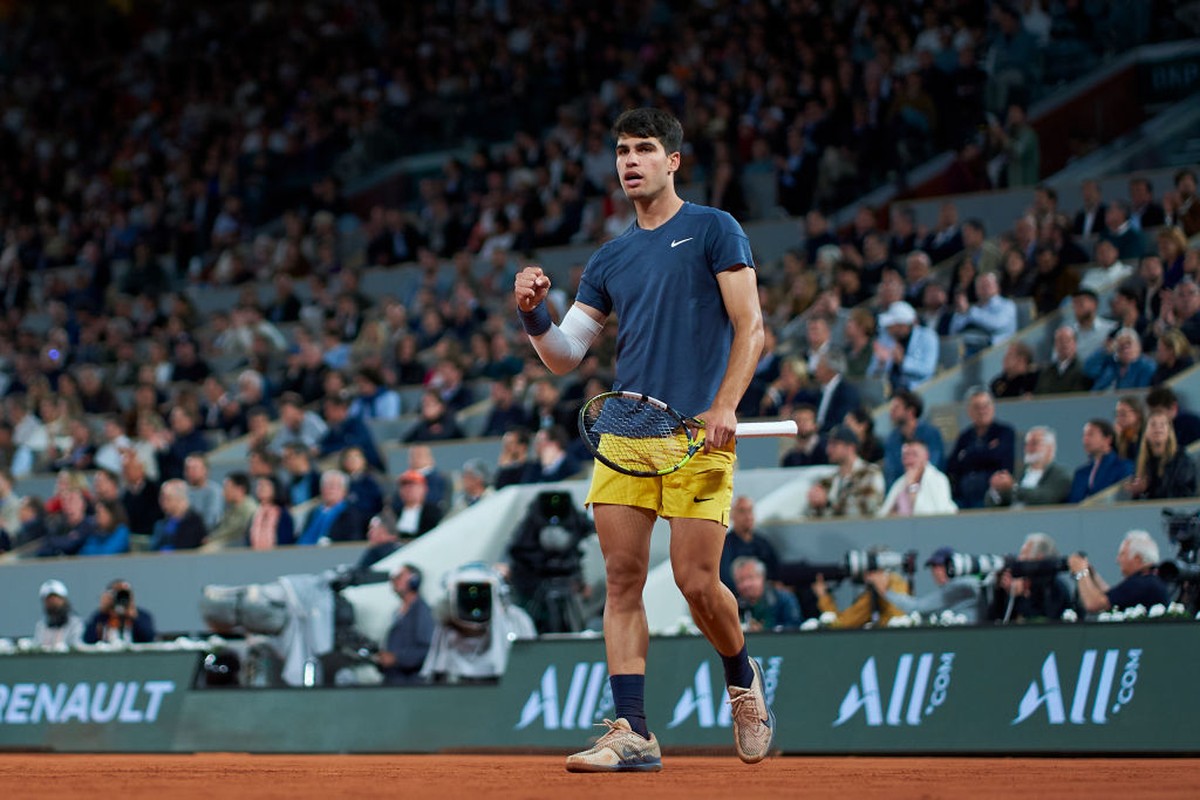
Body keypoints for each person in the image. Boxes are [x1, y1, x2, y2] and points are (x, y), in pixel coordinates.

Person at [513, 108, 772, 771]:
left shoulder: (715, 228)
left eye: (644, 149)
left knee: (695, 584)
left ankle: (742, 676)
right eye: (622, 151)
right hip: (626, 431)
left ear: (673, 161)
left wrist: (726, 405)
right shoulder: (610, 257)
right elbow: (567, 354)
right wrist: (534, 312)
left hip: (697, 434)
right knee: (622, 582)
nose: (630, 160)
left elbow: (751, 328)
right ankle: (633, 731)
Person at [865, 546, 984, 624]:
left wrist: (886, 591)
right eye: (934, 567)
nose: (937, 572)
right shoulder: (967, 585)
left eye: (942, 566)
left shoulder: (960, 585)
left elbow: (917, 608)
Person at [1067, 530, 1170, 613]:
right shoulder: (1150, 580)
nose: (1117, 560)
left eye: (1122, 554)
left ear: (1137, 558)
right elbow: (1113, 596)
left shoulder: (1142, 583)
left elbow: (1093, 604)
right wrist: (1092, 575)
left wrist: (1081, 571)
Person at [946, 388, 1016, 509]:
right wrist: (987, 451)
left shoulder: (1005, 432)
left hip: (992, 495)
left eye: (986, 406)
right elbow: (953, 465)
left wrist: (968, 455)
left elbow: (1000, 457)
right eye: (977, 407)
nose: (982, 411)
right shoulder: (965, 436)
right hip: (963, 496)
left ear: (993, 407)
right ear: (969, 411)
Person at [988, 532, 1075, 623]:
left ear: (1038, 559)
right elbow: (993, 620)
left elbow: (1043, 620)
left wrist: (1025, 594)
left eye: (1024, 554)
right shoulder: (1017, 583)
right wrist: (1001, 591)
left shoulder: (1056, 588)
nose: (1019, 560)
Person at [806, 424, 885, 518]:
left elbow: (866, 509)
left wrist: (827, 503)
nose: (828, 450)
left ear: (850, 447)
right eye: (829, 444)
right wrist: (816, 505)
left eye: (834, 444)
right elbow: (812, 516)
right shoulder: (828, 480)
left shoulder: (870, 473)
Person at [374, 564, 434, 686]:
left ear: (414, 580)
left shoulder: (422, 611)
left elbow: (427, 650)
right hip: (394, 681)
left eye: (399, 577)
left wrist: (396, 659)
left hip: (411, 684)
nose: (394, 581)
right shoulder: (398, 612)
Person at [986, 426, 1072, 507]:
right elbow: (992, 503)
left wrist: (1013, 489)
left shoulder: (1061, 475)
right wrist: (996, 489)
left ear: (1050, 448)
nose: (1028, 448)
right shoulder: (1017, 473)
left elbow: (1046, 498)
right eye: (1027, 444)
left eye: (1035, 444)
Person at [811, 561, 911, 629]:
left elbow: (843, 624)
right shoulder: (900, 583)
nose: (866, 576)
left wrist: (823, 596)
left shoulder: (894, 585)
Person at [1125, 410, 1197, 500]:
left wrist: (1147, 489)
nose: (1158, 429)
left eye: (1162, 424)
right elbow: (1139, 506)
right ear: (1145, 432)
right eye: (1153, 424)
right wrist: (1138, 493)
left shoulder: (1183, 460)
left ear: (1169, 432)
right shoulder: (1142, 462)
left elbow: (1183, 497)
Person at [867, 300, 939, 391]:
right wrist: (881, 363)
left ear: (902, 325)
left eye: (892, 325)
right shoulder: (885, 338)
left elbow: (927, 370)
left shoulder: (928, 337)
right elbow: (870, 373)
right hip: (888, 390)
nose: (888, 328)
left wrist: (903, 361)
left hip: (916, 391)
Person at [878, 440, 958, 517]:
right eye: (906, 455)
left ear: (926, 457)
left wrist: (912, 486)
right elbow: (884, 515)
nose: (909, 459)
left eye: (914, 455)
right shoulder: (899, 484)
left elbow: (935, 515)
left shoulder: (939, 480)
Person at [882, 389, 945, 485]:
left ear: (910, 411)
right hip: (901, 488)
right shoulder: (892, 439)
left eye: (896, 408)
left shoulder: (931, 434)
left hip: (929, 486)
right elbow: (891, 471)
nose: (891, 412)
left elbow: (933, 464)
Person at [718, 496, 780, 592]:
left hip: (764, 593)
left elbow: (776, 571)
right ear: (732, 516)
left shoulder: (763, 542)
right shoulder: (725, 545)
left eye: (750, 511)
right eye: (742, 511)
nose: (748, 516)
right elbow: (724, 578)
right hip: (737, 596)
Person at [1066, 419, 1134, 503]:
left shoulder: (1124, 467)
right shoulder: (1080, 473)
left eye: (1090, 434)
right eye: (1084, 435)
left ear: (1107, 439)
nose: (1085, 439)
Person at [732, 556, 801, 632]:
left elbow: (795, 627)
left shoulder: (785, 599)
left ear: (762, 577)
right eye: (740, 580)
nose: (746, 584)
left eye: (750, 577)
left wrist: (765, 631)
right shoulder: (733, 605)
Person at [297, 470, 365, 545]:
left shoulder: (351, 514)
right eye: (327, 485)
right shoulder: (313, 512)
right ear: (321, 489)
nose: (331, 489)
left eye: (336, 486)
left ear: (344, 491)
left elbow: (352, 541)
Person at [82, 579, 157, 645]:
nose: (122, 598)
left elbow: (149, 639)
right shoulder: (101, 617)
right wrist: (102, 613)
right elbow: (88, 640)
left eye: (125, 594)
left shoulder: (142, 616)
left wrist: (134, 617)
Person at [203, 472, 258, 550]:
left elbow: (233, 532)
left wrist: (212, 539)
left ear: (240, 489)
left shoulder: (249, 508)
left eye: (227, 488)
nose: (223, 493)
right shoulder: (231, 508)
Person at [1034, 325, 1093, 395]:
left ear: (1075, 344)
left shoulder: (1083, 369)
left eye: (1067, 340)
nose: (1064, 344)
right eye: (1060, 341)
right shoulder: (1046, 372)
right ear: (1055, 345)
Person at [390, 469, 443, 539]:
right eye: (404, 486)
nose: (408, 490)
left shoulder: (433, 513)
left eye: (412, 486)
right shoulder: (393, 513)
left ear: (423, 488)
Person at [34, 579, 85, 650]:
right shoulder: (41, 626)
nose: (52, 603)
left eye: (55, 598)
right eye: (48, 600)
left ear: (64, 600)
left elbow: (76, 647)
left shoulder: (76, 624)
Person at [247, 475, 295, 550]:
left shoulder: (283, 514)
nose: (261, 488)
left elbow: (286, 541)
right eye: (259, 485)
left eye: (265, 485)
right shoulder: (254, 513)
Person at [183, 454, 225, 531]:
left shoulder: (214, 491)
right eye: (187, 469)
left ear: (205, 470)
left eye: (194, 468)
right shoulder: (182, 490)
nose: (190, 472)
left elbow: (210, 521)